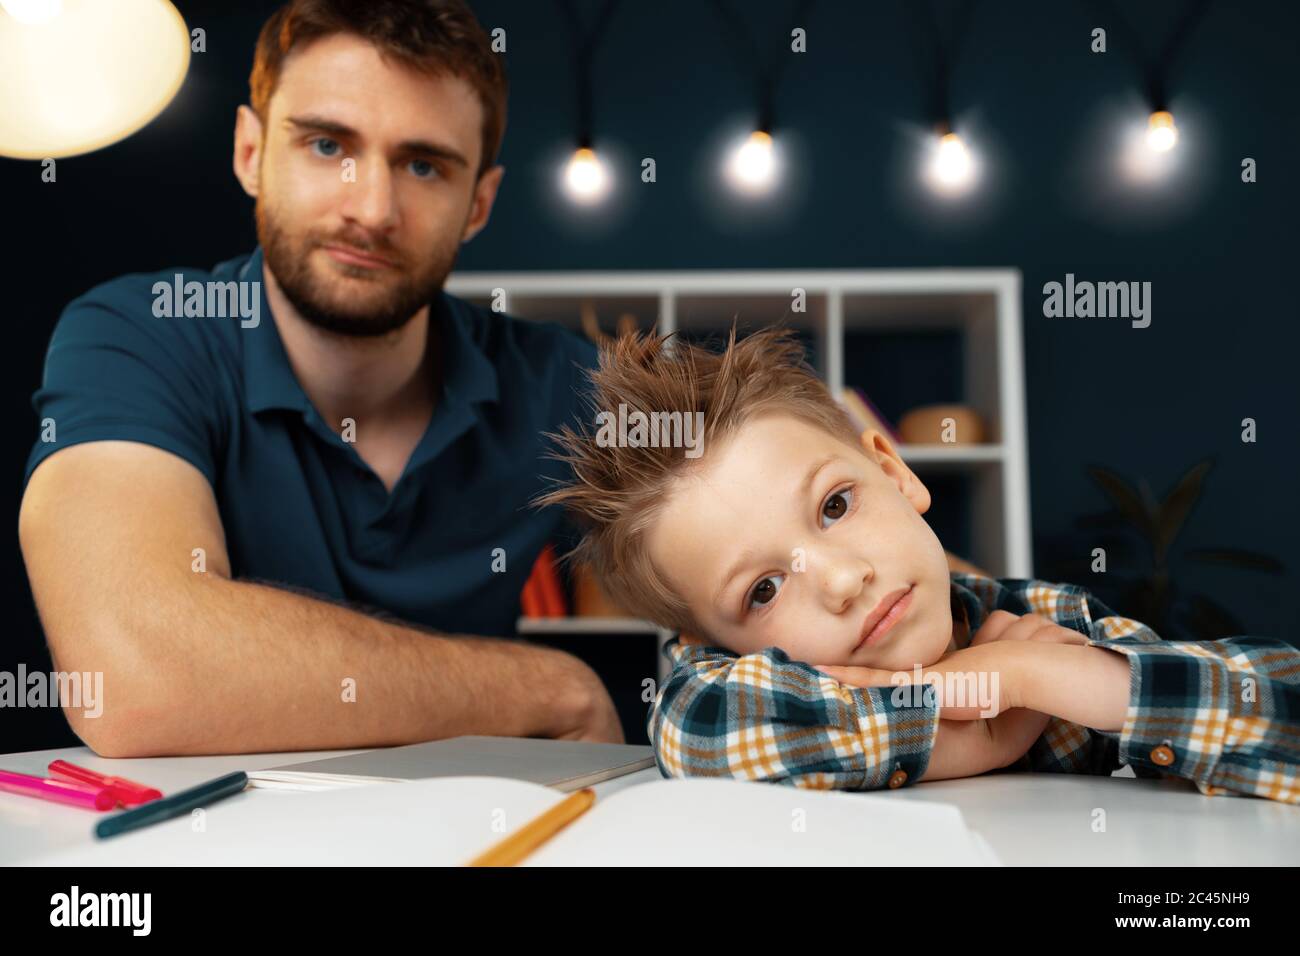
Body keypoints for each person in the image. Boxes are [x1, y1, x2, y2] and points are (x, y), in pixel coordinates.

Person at [18, 0, 625, 757]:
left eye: (423, 164)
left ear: (478, 204)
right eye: (327, 144)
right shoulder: (137, 334)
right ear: (250, 152)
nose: (371, 211)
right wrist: (548, 689)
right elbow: (132, 677)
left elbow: (766, 539)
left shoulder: (558, 382)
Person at [538, 327, 1300, 803]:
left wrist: (1038, 676)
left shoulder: (1049, 625)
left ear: (894, 473)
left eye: (835, 506)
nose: (840, 581)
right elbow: (693, 726)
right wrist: (953, 717)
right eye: (764, 590)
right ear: (713, 641)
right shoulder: (724, 691)